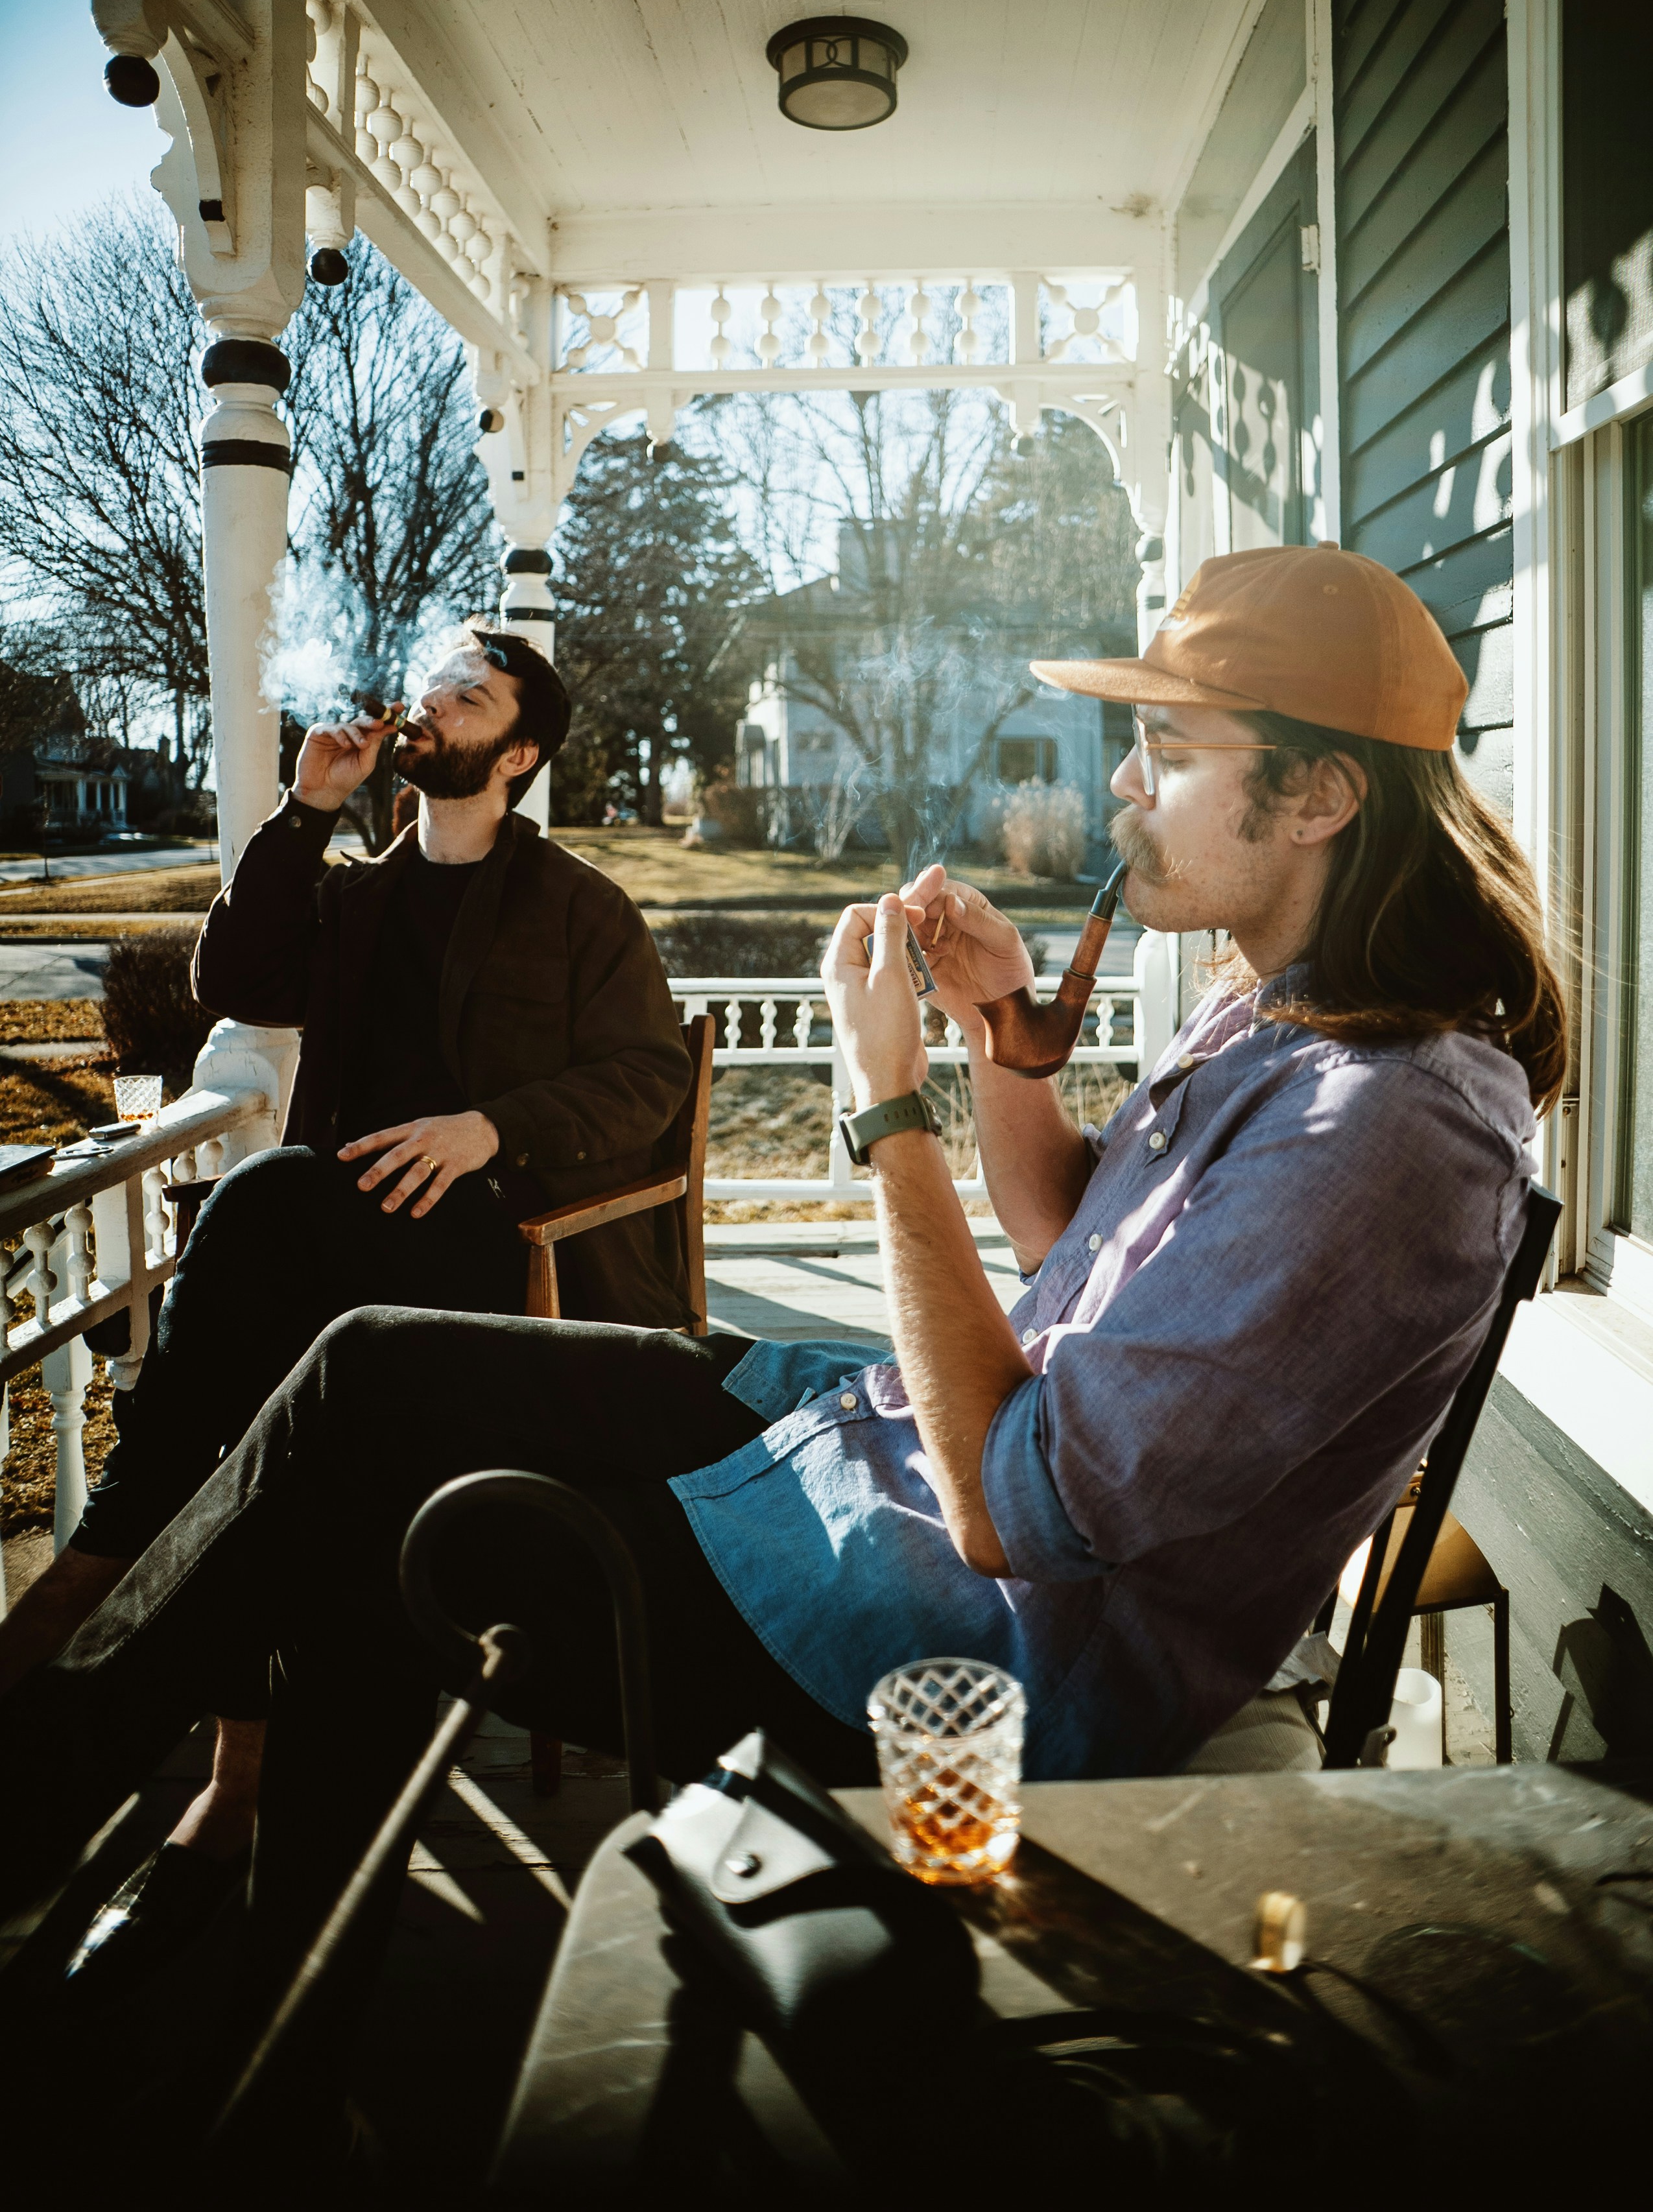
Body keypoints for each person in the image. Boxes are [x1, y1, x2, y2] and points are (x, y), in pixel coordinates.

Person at [0, 546, 1564, 2104]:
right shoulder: (1277, 1018)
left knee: (357, 1532)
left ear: (1318, 800)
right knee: (363, 1368)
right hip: (862, 1455)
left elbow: (1016, 1507)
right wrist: (999, 1038)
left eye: (1168, 754)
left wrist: (888, 1107)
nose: (1119, 793)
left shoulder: (1391, 1127)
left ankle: (148, 1912)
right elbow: (1072, 1241)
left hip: (947, 1636)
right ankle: (204, 1944)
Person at [0, 620, 692, 1987]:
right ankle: (243, 1840)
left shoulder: (576, 908)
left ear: (521, 750)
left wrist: (490, 1130)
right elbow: (233, 983)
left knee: (263, 1216)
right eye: (433, 679)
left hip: (500, 1259)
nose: (433, 701)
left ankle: (122, 1569)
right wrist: (306, 809)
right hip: (346, 1265)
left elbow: (647, 1083)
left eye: (471, 692)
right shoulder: (357, 891)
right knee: (292, 1404)